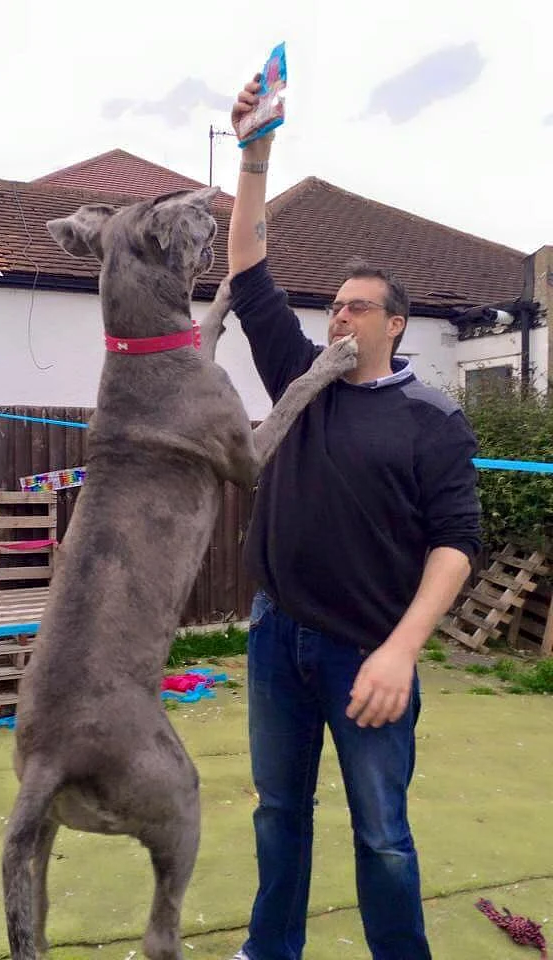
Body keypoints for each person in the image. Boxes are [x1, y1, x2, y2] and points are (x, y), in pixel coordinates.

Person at [226, 76, 482, 960]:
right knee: (277, 815)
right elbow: (249, 275)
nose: (337, 312)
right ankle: (270, 951)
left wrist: (402, 649)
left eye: (356, 305)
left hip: (368, 650)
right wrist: (256, 155)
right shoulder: (304, 384)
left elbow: (456, 546)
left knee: (381, 832)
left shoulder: (433, 417)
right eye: (333, 303)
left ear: (396, 325)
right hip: (276, 636)